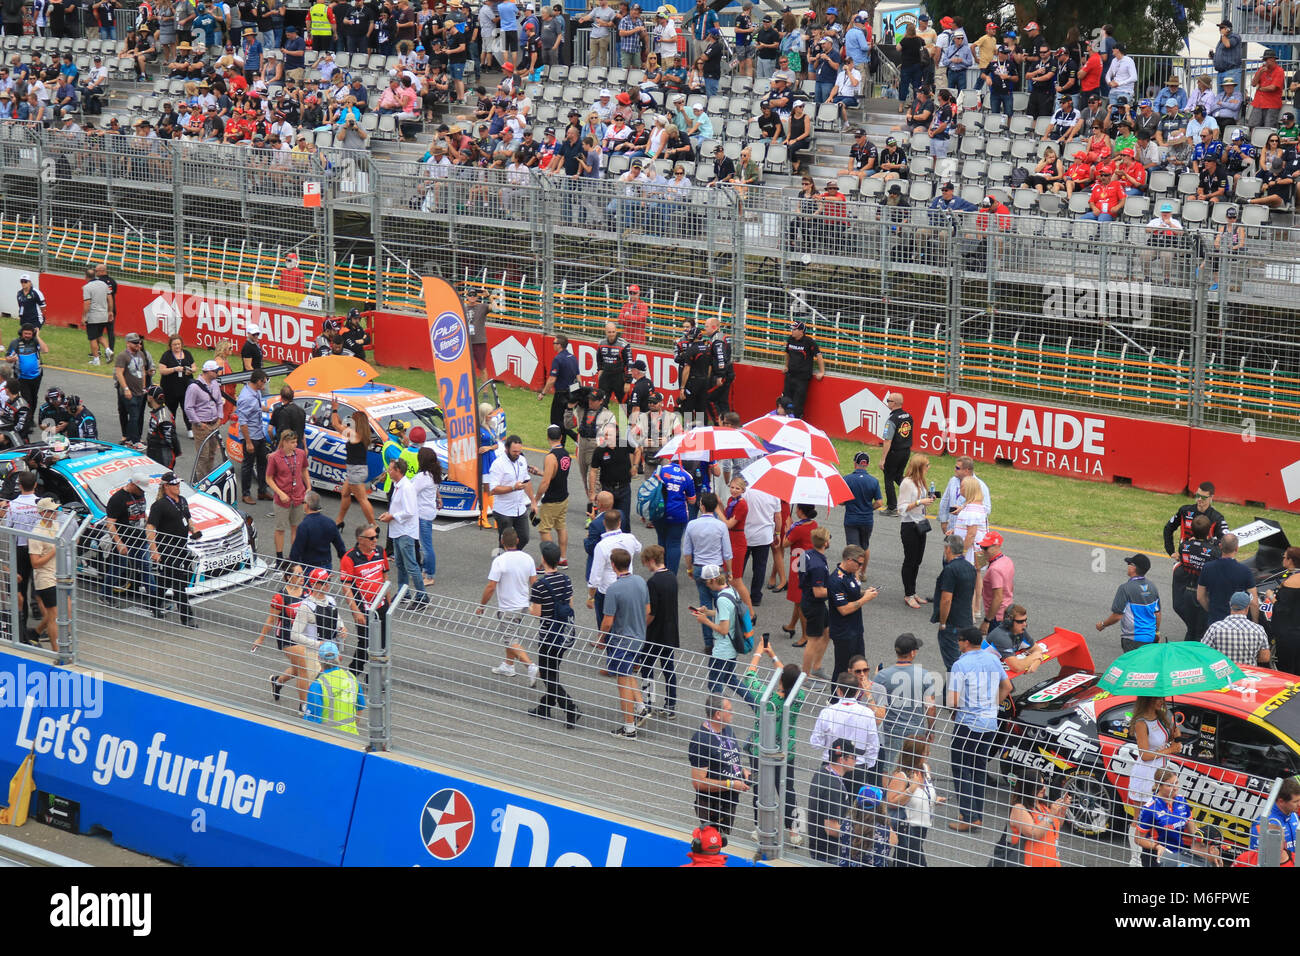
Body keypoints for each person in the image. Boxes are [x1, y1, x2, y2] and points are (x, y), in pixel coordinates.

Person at [948, 626, 1010, 832]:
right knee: (978, 768)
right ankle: (977, 816)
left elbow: (953, 700)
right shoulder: (993, 659)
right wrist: (993, 706)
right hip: (990, 723)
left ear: (965, 642)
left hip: (968, 723)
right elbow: (1007, 687)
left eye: (959, 640)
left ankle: (967, 816)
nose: (958, 644)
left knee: (961, 767)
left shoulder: (960, 664)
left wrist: (952, 710)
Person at [599, 546, 650, 738]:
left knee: (622, 684)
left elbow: (608, 621)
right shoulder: (640, 581)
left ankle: (629, 728)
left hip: (621, 641)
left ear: (613, 565)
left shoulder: (613, 589)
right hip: (639, 637)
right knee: (628, 674)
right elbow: (647, 609)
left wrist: (601, 638)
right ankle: (640, 706)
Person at [527, 540, 579, 728]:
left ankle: (570, 707)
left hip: (548, 634)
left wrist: (529, 605)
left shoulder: (540, 585)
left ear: (543, 560)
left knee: (547, 674)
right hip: (563, 633)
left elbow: (537, 613)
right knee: (553, 671)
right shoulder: (566, 580)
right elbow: (570, 605)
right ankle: (545, 706)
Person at [478, 525, 539, 683]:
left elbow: (491, 586)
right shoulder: (528, 558)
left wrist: (482, 606)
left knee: (510, 639)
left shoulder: (500, 560)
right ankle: (508, 665)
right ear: (517, 541)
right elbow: (534, 582)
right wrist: (533, 602)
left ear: (501, 541)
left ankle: (530, 665)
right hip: (523, 605)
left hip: (508, 608)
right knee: (511, 635)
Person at [688, 694, 750, 838]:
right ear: (717, 714)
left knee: (724, 841)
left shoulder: (726, 729)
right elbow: (698, 782)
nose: (732, 713)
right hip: (713, 805)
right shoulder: (701, 741)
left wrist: (741, 770)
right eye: (729, 710)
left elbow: (730, 755)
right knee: (713, 845)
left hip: (729, 800)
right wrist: (731, 784)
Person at [875, 633, 937, 774]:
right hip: (915, 732)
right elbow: (930, 707)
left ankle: (888, 794)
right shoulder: (924, 675)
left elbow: (875, 699)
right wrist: (931, 729)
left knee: (889, 767)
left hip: (891, 729)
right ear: (913, 653)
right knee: (915, 767)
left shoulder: (883, 675)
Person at [692, 562, 754, 704]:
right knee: (730, 680)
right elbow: (726, 614)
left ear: (713, 580)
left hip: (722, 650)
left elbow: (724, 629)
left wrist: (705, 621)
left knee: (714, 686)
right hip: (732, 647)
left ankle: (722, 711)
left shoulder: (721, 599)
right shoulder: (731, 590)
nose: (706, 585)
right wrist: (707, 612)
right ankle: (756, 705)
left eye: (707, 582)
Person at [145, 470, 198, 628]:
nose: (177, 486)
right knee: (178, 582)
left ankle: (153, 604)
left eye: (178, 483)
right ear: (166, 486)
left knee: (166, 579)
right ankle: (187, 617)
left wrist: (194, 530)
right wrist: (154, 550)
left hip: (181, 546)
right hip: (167, 549)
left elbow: (188, 518)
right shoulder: (159, 506)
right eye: (174, 484)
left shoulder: (182, 500)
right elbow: (150, 528)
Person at [337, 524, 388, 676]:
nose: (375, 540)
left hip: (382, 604)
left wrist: (389, 602)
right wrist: (355, 611)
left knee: (382, 643)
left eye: (376, 537)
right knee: (365, 643)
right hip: (363, 608)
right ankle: (352, 675)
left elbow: (385, 577)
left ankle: (374, 678)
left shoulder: (380, 551)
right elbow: (346, 587)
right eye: (371, 538)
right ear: (361, 540)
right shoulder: (349, 558)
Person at [256, 564, 308, 703]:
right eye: (298, 575)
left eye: (303, 574)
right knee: (305, 669)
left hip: (305, 635)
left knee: (298, 669)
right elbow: (271, 619)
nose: (302, 577)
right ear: (288, 577)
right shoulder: (280, 597)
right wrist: (260, 639)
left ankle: (277, 682)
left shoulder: (307, 592)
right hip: (287, 636)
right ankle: (304, 707)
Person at [886, 735, 937, 867]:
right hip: (907, 827)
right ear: (914, 755)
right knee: (916, 862)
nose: (928, 754)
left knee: (903, 860)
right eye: (925, 753)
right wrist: (911, 789)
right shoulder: (901, 776)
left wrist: (934, 800)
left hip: (923, 826)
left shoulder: (925, 768)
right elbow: (891, 802)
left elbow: (925, 793)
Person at [641, 544, 679, 720]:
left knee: (647, 666)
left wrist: (642, 627)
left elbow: (652, 612)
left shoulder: (653, 582)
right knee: (668, 668)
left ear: (651, 561)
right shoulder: (672, 577)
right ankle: (670, 704)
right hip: (670, 630)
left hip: (655, 632)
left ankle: (648, 704)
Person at [827, 545, 876, 680]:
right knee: (843, 669)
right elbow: (843, 609)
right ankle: (834, 700)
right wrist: (865, 599)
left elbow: (852, 593)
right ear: (849, 560)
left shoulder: (851, 575)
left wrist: (864, 593)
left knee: (860, 667)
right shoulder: (836, 580)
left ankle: (856, 696)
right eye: (859, 564)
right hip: (843, 633)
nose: (861, 567)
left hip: (856, 629)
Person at [1097, 553, 1161, 651]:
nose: (1127, 566)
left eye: (1129, 564)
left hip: (1133, 640)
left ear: (1133, 568)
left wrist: (1103, 624)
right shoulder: (1152, 587)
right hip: (1151, 638)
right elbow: (1157, 613)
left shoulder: (1125, 588)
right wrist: (1156, 632)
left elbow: (1117, 616)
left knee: (1132, 666)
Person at [806, 738, 856, 863]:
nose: (856, 760)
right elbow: (831, 828)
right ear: (842, 759)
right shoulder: (833, 786)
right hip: (829, 853)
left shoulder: (822, 771)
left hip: (819, 847)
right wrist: (858, 837)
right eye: (853, 757)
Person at [1136, 767, 1197, 867]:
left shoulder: (1181, 800)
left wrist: (1208, 844)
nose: (1175, 788)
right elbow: (1138, 839)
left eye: (1176, 783)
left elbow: (1193, 830)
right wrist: (1157, 847)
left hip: (1178, 854)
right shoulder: (1150, 808)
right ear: (1159, 786)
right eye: (1169, 785)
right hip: (1156, 857)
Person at [932, 534, 976, 670]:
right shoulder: (970, 567)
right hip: (966, 621)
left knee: (953, 667)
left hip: (952, 624)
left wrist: (943, 623)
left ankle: (952, 691)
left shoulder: (950, 570)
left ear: (948, 549)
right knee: (964, 664)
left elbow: (946, 599)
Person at [304, 641, 367, 734]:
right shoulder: (351, 677)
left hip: (328, 738)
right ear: (339, 657)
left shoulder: (317, 685)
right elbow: (360, 708)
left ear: (318, 659)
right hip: (351, 736)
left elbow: (312, 720)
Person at [266, 428, 309, 560]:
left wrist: (309, 486)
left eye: (296, 442)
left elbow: (304, 470)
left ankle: (294, 557)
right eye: (291, 442)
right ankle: (279, 558)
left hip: (298, 496)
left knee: (296, 527)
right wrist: (280, 493)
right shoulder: (274, 457)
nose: (295, 445)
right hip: (282, 500)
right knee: (280, 529)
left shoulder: (301, 454)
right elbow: (268, 478)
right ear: (284, 442)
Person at [487, 434, 537, 548]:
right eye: (514, 451)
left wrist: (533, 502)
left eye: (519, 451)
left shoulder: (522, 460)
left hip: (520, 508)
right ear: (506, 449)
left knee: (524, 538)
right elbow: (493, 489)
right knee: (505, 541)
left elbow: (526, 481)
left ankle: (513, 557)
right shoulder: (498, 464)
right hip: (503, 511)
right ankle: (501, 560)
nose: (517, 454)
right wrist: (513, 488)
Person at [1198, 534, 1257, 628]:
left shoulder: (1207, 567)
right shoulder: (1245, 571)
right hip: (1238, 625)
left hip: (1215, 621)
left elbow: (1200, 596)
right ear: (1237, 549)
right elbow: (1254, 603)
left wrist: (1212, 611)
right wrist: (1255, 622)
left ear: (1220, 546)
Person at [649, 455, 695, 575]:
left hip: (659, 511)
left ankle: (660, 572)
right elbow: (692, 500)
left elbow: (651, 489)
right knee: (674, 543)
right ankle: (671, 576)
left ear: (670, 459)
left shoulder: (660, 470)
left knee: (661, 540)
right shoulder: (686, 476)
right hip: (678, 514)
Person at [25, 497, 61, 652]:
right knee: (54, 616)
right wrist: (54, 552)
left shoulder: (57, 525)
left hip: (58, 575)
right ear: (42, 513)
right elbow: (35, 563)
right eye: (51, 511)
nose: (55, 514)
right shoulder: (36, 534)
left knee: (59, 613)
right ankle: (57, 651)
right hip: (45, 579)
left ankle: (35, 632)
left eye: (55, 510)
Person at [331, 408, 376, 530]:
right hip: (356, 471)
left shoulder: (354, 434)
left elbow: (335, 424)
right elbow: (339, 425)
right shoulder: (362, 434)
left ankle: (374, 525)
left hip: (356, 472)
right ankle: (339, 521)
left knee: (362, 499)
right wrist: (337, 416)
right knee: (345, 493)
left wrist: (334, 409)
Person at [1201, 591, 1271, 666]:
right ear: (1247, 608)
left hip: (1222, 675)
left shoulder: (1215, 628)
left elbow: (1202, 652)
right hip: (1248, 675)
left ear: (1230, 605)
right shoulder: (1258, 629)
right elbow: (1265, 657)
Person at [184, 359, 225, 480]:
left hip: (214, 424)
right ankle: (201, 481)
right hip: (202, 426)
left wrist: (220, 417)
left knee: (212, 454)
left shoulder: (215, 384)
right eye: (216, 371)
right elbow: (188, 407)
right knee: (203, 456)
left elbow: (219, 402)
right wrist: (199, 423)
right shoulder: (194, 387)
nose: (218, 372)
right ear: (208, 371)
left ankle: (208, 478)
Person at [235, 368, 269, 504]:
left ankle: (262, 491)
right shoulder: (246, 398)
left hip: (259, 434)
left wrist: (269, 409)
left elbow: (257, 408)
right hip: (251, 436)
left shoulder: (255, 392)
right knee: (248, 465)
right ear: (258, 381)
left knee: (263, 462)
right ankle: (245, 494)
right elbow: (243, 422)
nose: (265, 386)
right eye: (264, 383)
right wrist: (248, 442)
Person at [1263, 546, 1300, 675]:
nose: (1283, 559)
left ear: (1290, 560)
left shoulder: (1291, 583)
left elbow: (1281, 609)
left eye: (1285, 557)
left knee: (1287, 671)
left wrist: (1271, 596)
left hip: (1288, 634)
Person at [1020, 774, 1070, 867]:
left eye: (1044, 784)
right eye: (1040, 785)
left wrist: (1063, 809)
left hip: (1052, 862)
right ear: (1029, 787)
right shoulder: (1020, 808)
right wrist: (1051, 814)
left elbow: (1056, 825)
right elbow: (1034, 834)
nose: (1044, 788)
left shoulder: (1043, 805)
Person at [410, 447, 442, 587]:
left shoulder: (422, 477)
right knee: (425, 545)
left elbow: (410, 491)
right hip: (428, 512)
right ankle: (425, 570)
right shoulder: (432, 474)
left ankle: (429, 574)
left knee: (426, 546)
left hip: (422, 514)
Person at [877, 392, 912, 516]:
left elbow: (887, 440)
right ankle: (913, 495)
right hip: (906, 451)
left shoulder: (892, 419)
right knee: (898, 476)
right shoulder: (908, 416)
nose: (887, 402)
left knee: (889, 478)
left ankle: (892, 507)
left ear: (894, 403)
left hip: (894, 452)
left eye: (889, 400)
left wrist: (883, 459)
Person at [1248, 777, 1299, 860]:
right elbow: (1258, 859)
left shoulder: (1293, 815)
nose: (1299, 804)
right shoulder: (1264, 824)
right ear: (1281, 801)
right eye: (1295, 801)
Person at [842, 451, 881, 559]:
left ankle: (855, 575)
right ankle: (862, 573)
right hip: (867, 520)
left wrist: (847, 502)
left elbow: (841, 501)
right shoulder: (874, 481)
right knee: (865, 547)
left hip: (851, 519)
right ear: (867, 464)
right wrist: (869, 508)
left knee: (852, 549)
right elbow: (879, 502)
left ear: (855, 463)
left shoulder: (847, 479)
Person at [781, 320, 824, 418]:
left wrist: (822, 372)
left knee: (797, 404)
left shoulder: (809, 342)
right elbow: (787, 353)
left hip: (802, 378)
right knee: (785, 401)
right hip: (790, 376)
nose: (792, 331)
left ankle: (797, 421)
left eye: (794, 329)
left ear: (801, 331)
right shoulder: (790, 340)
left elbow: (819, 355)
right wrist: (786, 366)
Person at [938, 456, 991, 534]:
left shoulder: (980, 486)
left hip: (968, 531)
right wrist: (943, 521)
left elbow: (986, 509)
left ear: (966, 470)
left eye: (957, 468)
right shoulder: (953, 481)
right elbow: (945, 501)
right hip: (951, 529)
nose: (955, 469)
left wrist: (963, 509)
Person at [538, 334, 578, 436]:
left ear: (559, 345)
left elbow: (552, 379)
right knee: (564, 419)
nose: (553, 345)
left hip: (561, 393)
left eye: (554, 343)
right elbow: (578, 376)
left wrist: (543, 393)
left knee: (556, 422)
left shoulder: (558, 359)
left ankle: (575, 437)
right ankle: (562, 444)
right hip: (572, 392)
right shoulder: (572, 357)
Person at [157, 335, 195, 438]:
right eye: (174, 344)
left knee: (187, 408)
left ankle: (190, 429)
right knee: (171, 409)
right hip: (170, 388)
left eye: (178, 344)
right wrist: (174, 369)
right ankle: (171, 428)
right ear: (170, 345)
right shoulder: (166, 355)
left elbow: (194, 367)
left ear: (182, 344)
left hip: (185, 387)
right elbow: (162, 370)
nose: (177, 346)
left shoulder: (187, 353)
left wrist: (190, 370)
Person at [5, 324, 48, 413]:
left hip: (37, 376)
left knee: (34, 397)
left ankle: (31, 417)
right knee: (27, 399)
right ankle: (26, 419)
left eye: (30, 334)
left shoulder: (36, 341)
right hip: (22, 377)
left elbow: (45, 350)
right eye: (25, 333)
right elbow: (7, 358)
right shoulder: (15, 343)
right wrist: (11, 359)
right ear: (21, 333)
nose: (27, 336)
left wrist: (37, 336)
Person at [978, 530, 1014, 632]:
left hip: (997, 616)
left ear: (996, 546)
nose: (983, 550)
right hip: (1008, 610)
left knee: (994, 646)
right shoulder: (1007, 560)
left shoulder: (995, 569)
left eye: (985, 548)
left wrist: (987, 621)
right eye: (981, 547)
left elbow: (998, 598)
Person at [143, 385, 181, 471]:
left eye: (147, 395)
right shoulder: (158, 412)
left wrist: (174, 453)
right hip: (154, 453)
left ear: (151, 397)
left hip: (163, 456)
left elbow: (171, 439)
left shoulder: (164, 417)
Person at [81, 266, 113, 367]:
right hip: (103, 315)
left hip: (93, 316)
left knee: (92, 338)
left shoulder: (87, 287)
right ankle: (108, 350)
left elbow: (87, 303)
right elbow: (110, 299)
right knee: (99, 335)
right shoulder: (104, 284)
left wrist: (84, 316)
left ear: (86, 277)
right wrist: (110, 311)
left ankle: (96, 359)